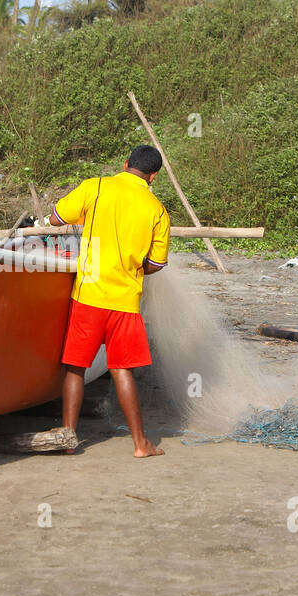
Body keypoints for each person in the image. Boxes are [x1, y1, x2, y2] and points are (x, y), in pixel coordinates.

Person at [49, 145, 171, 458]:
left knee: (75, 369)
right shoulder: (156, 209)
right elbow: (156, 264)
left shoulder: (96, 186)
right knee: (122, 371)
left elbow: (57, 218)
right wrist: (132, 269)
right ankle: (141, 444)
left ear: (126, 163)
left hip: (89, 295)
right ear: (153, 176)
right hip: (126, 302)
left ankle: (68, 440)